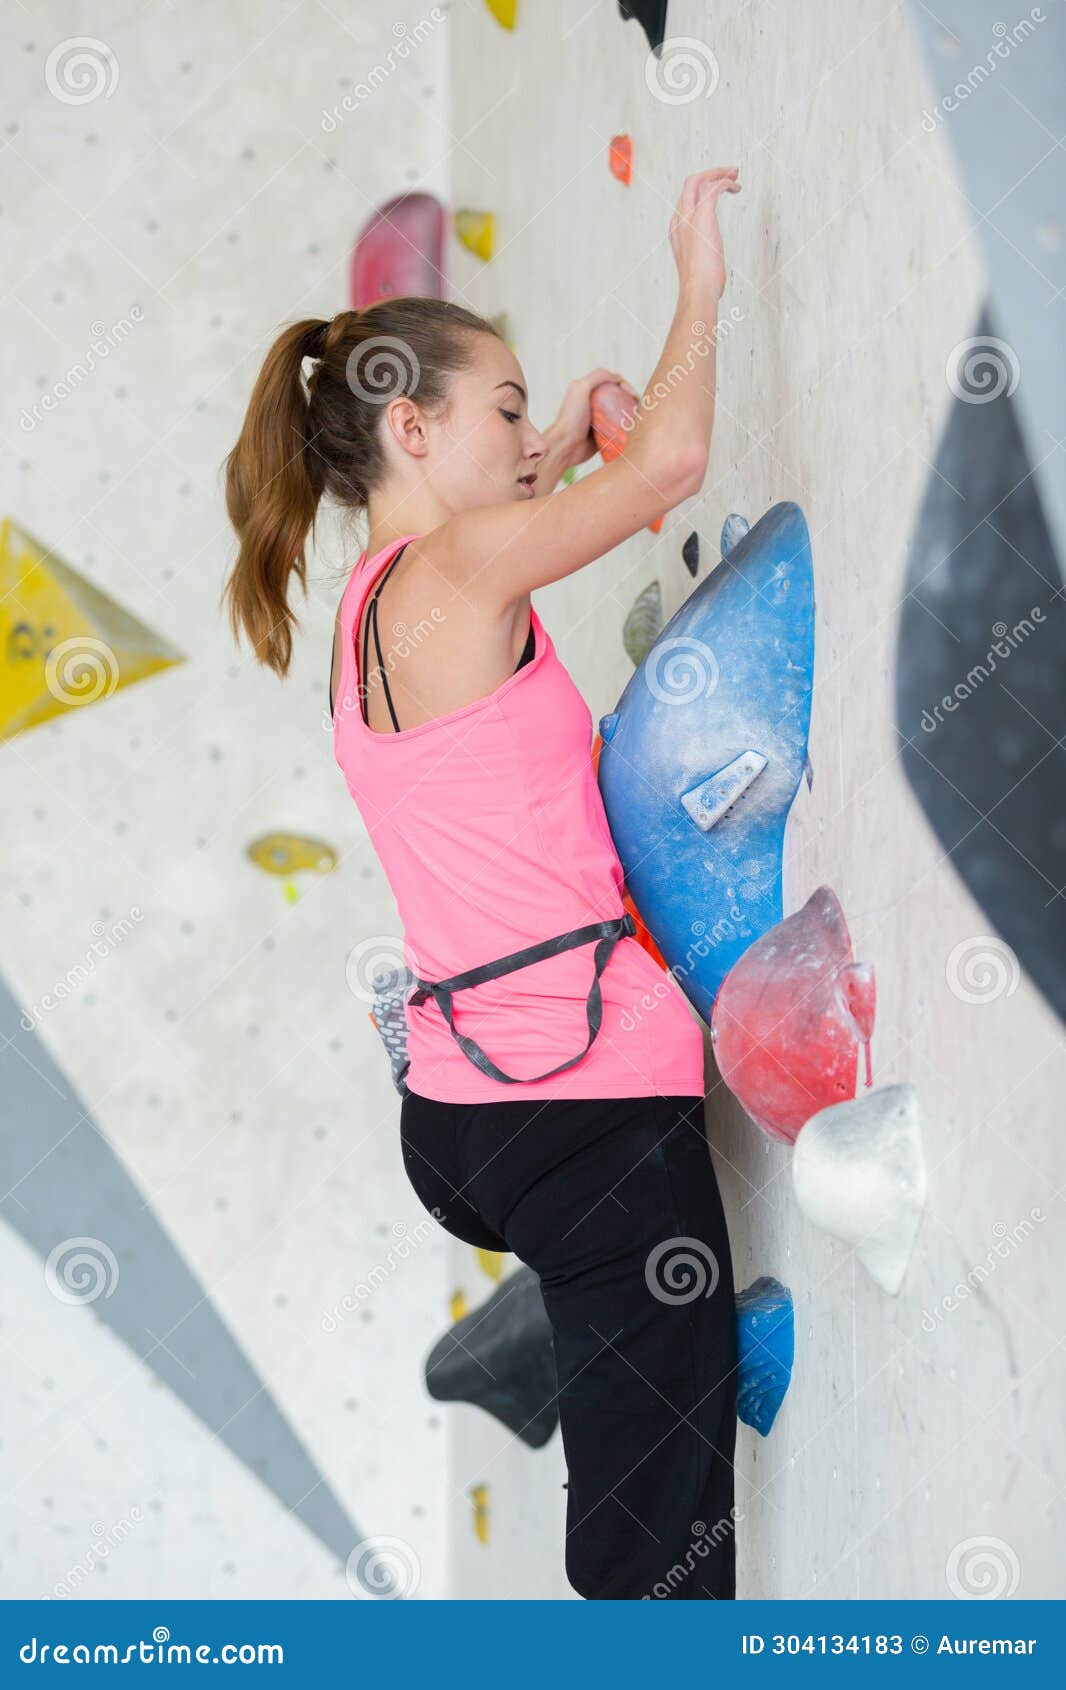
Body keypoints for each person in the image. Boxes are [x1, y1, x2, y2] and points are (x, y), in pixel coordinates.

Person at [223, 167, 743, 1600]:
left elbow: (522, 532)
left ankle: (556, 1327)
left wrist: (554, 440)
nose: (527, 439)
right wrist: (696, 281)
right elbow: (671, 465)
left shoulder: (378, 605)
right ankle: (574, 1324)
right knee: (654, 1563)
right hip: (578, 1108)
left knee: (652, 1472)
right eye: (502, 410)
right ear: (410, 424)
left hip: (471, 1112)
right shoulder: (456, 573)